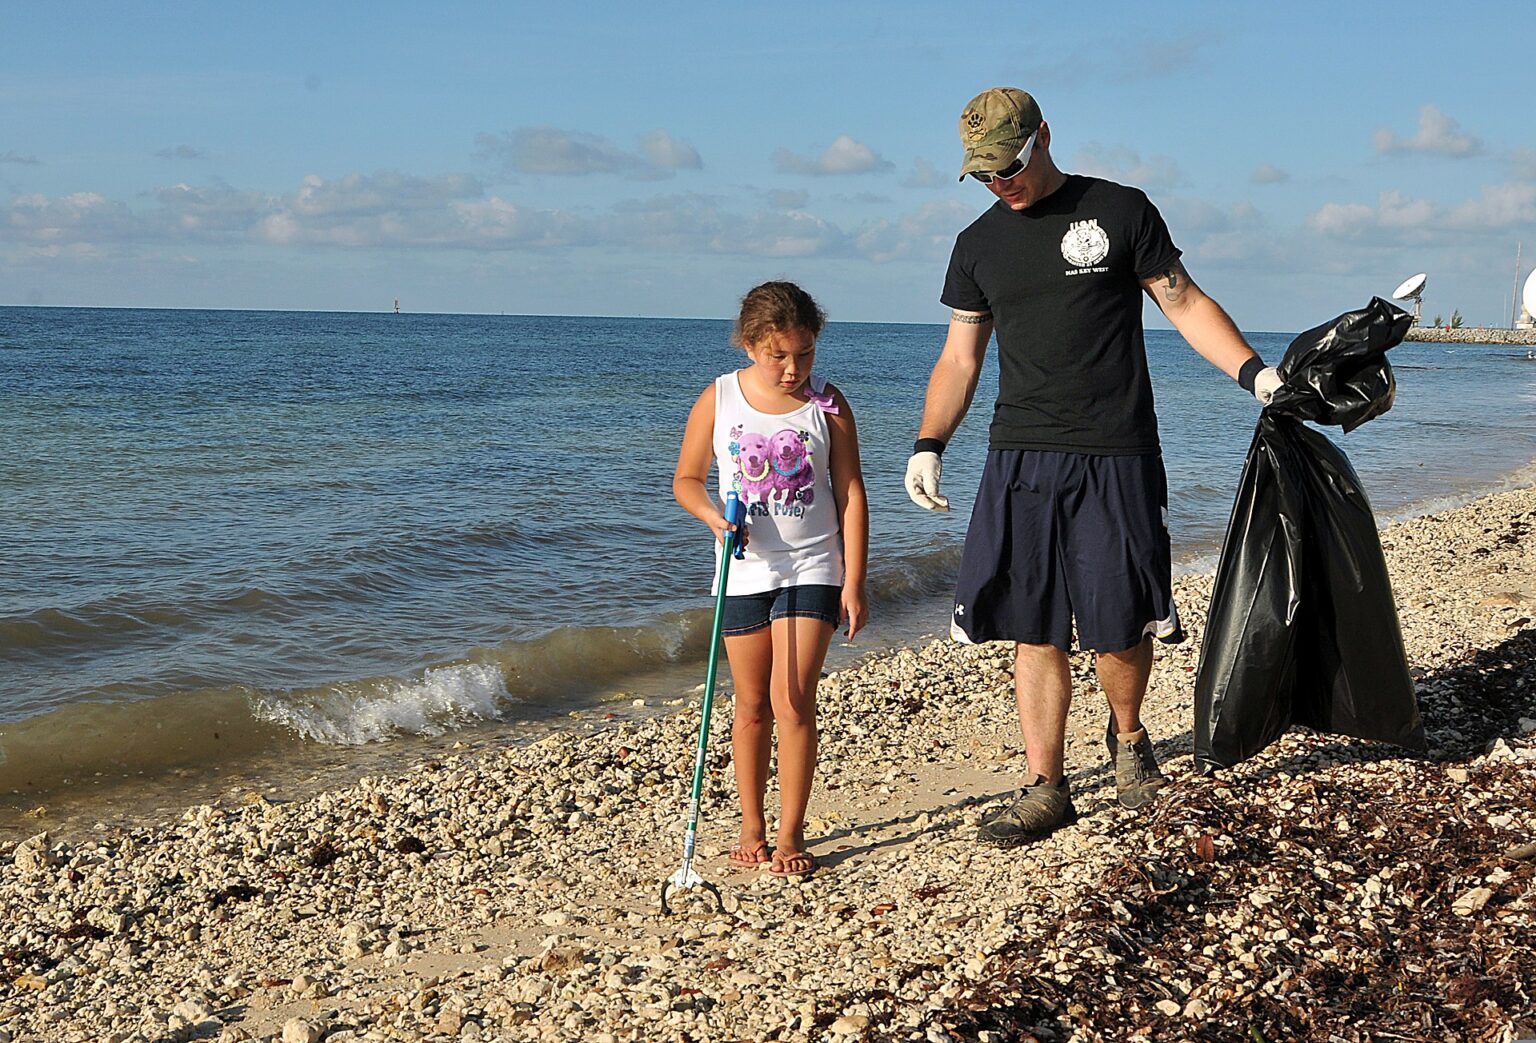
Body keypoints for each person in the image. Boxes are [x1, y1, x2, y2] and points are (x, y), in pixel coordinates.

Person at [905, 87, 1281, 846]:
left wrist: (1256, 375)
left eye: (1009, 166)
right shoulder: (977, 244)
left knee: (1119, 618)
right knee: (1032, 623)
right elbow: (959, 358)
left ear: (1043, 137)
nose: (1000, 183)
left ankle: (1130, 740)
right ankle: (1046, 785)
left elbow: (1185, 304)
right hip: (1021, 452)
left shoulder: (1119, 210)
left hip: (1116, 449)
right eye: (984, 174)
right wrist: (928, 442)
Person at [674, 281, 869, 876]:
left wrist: (854, 581)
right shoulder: (719, 398)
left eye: (804, 353)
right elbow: (687, 479)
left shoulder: (827, 404)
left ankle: (791, 833)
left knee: (793, 699)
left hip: (814, 565)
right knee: (752, 706)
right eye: (777, 355)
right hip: (743, 569)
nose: (792, 369)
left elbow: (851, 492)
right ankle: (751, 825)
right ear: (749, 345)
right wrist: (713, 518)